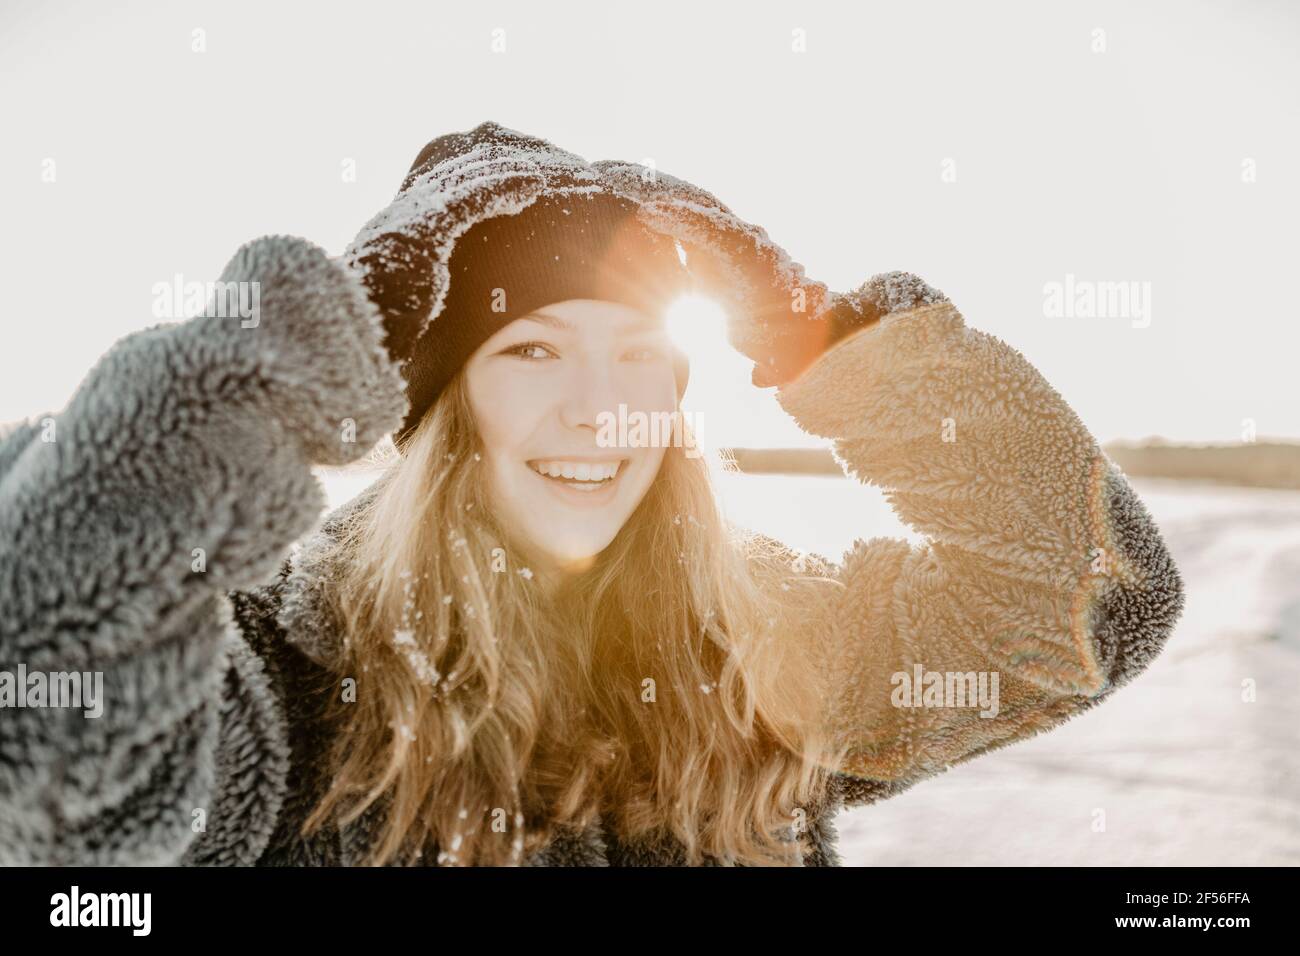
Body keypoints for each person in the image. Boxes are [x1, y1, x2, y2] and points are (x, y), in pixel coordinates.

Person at [0, 121, 1185, 867]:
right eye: (529, 351)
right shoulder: (283, 665)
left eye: (638, 352)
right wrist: (246, 393)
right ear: (438, 405)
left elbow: (1089, 599)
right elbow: (48, 777)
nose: (599, 406)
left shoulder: (762, 635)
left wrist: (830, 341)